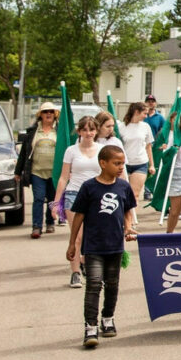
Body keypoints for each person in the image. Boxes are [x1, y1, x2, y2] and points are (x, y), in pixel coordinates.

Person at [66, 145, 136, 349]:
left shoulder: (123, 186)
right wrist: (73, 244)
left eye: (122, 163)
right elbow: (79, 215)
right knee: (94, 284)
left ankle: (108, 318)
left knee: (112, 285)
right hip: (93, 246)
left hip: (115, 247)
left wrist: (128, 228)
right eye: (116, 163)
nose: (121, 167)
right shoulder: (89, 187)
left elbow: (127, 211)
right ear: (102, 163)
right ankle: (90, 327)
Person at [55, 117, 103, 288]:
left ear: (96, 131)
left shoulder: (102, 150)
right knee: (78, 236)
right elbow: (63, 177)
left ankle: (90, 268)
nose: (88, 133)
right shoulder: (71, 151)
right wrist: (56, 202)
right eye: (84, 130)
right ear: (79, 132)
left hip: (97, 196)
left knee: (93, 236)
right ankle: (75, 273)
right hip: (74, 194)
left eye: (91, 130)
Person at [16, 102, 60, 238]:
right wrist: (18, 172)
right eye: (45, 111)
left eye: (51, 112)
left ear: (55, 114)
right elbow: (24, 153)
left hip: (54, 173)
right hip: (37, 172)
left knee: (52, 199)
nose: (48, 114)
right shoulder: (32, 132)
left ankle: (50, 222)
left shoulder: (59, 131)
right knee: (39, 199)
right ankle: (36, 227)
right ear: (40, 114)